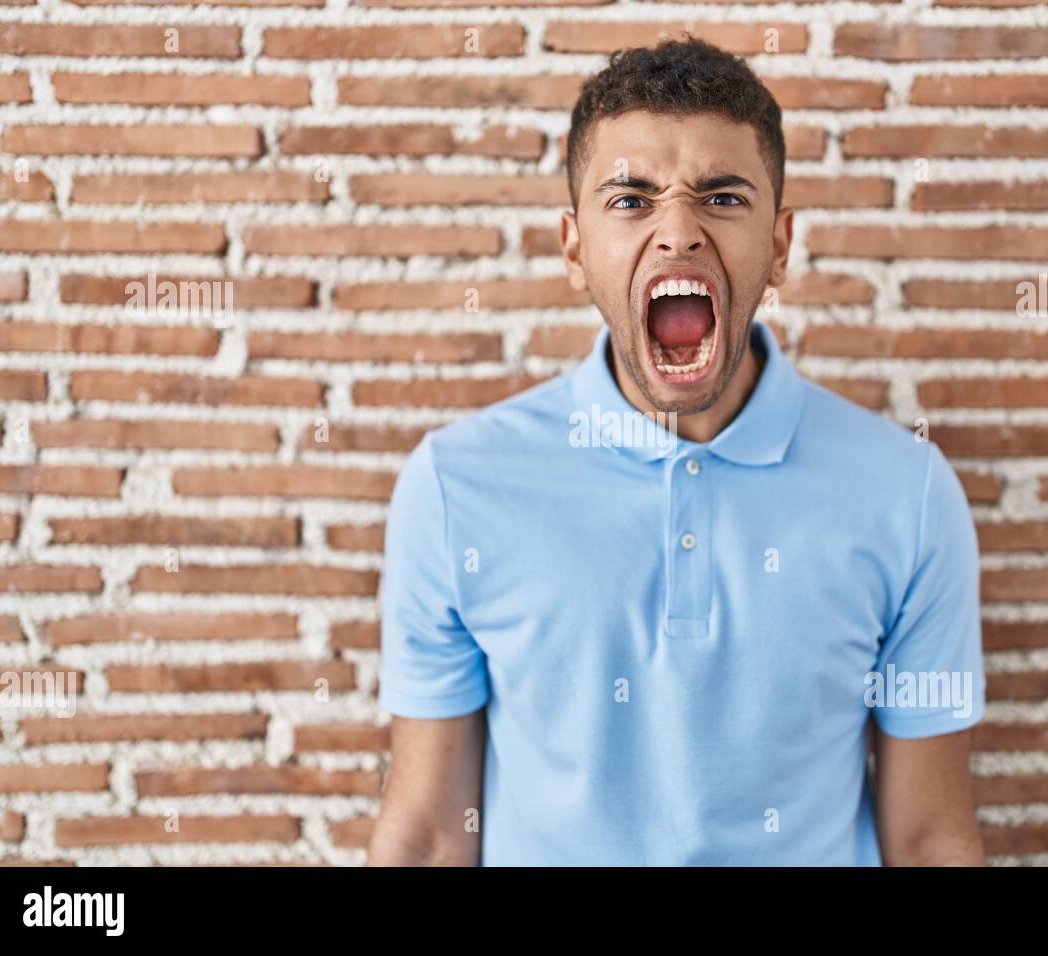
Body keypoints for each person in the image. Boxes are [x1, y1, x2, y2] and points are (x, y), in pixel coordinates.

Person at [368, 35, 987, 866]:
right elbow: (432, 832)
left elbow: (928, 837)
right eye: (631, 200)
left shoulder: (907, 493)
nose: (679, 233)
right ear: (573, 243)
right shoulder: (454, 488)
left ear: (778, 244)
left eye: (723, 197)